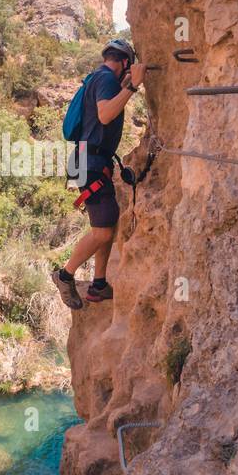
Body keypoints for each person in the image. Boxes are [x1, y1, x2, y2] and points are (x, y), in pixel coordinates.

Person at [51, 38, 145, 309]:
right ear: (125, 63)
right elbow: (104, 115)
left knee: (108, 221)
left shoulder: (98, 78)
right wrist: (132, 85)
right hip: (89, 162)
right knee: (103, 232)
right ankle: (65, 275)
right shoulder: (105, 78)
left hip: (90, 162)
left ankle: (99, 285)